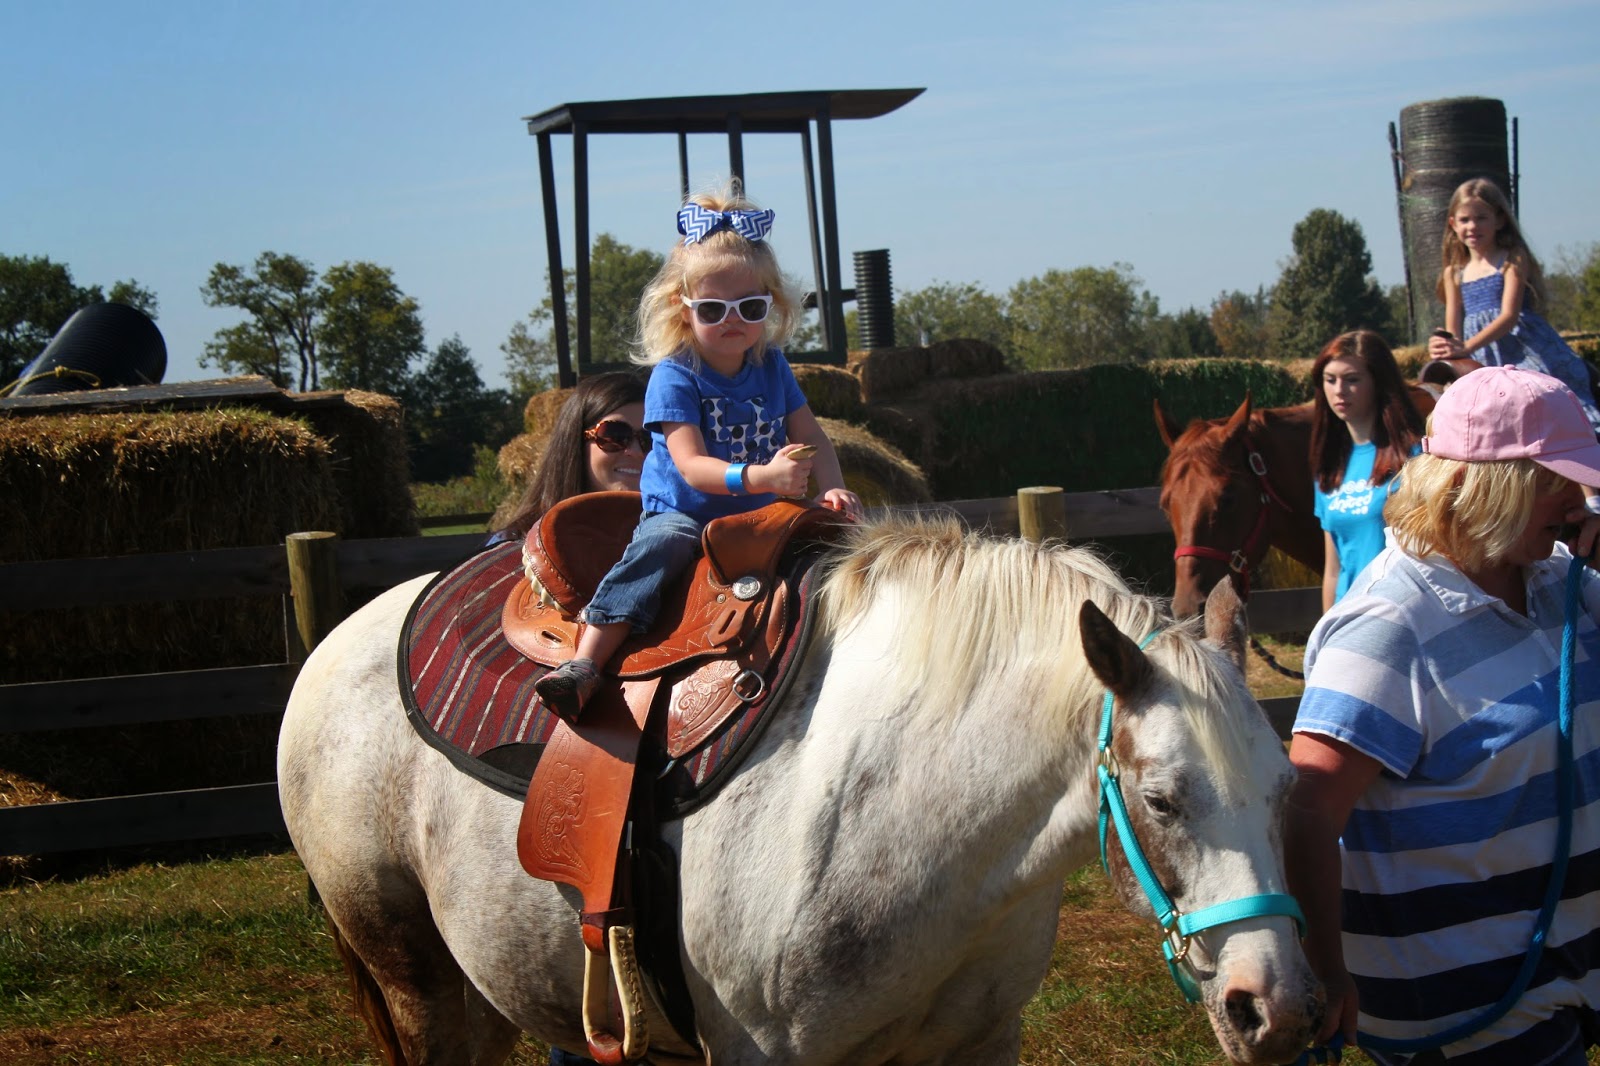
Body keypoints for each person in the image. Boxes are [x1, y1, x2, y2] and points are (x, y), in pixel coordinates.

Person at [1285, 366, 1600, 1065]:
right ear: (1486, 486)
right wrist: (1323, 971)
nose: (1578, 499)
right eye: (1557, 481)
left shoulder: (1560, 585)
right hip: (1470, 1011)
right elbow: (1307, 810)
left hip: (1566, 976)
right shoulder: (1389, 625)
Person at [533, 183, 862, 721]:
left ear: (771, 305)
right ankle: (587, 662)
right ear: (682, 310)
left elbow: (815, 437)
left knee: (837, 544)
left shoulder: (772, 365)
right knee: (660, 549)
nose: (732, 320)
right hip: (687, 509)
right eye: (712, 308)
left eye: (749, 306)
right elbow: (689, 466)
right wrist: (763, 477)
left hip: (761, 507)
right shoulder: (675, 375)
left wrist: (832, 487)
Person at [1427, 177, 1600, 435]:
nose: (1473, 226)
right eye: (1465, 220)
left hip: (1523, 346)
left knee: (1547, 394)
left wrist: (1468, 345)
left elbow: (1509, 315)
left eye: (1481, 218)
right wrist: (1447, 346)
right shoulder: (1454, 273)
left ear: (1499, 220)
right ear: (1453, 224)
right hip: (1482, 357)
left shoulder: (1512, 257)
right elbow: (1454, 330)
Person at [1310, 330, 1425, 611]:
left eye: (1352, 379)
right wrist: (1326, 632)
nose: (1339, 390)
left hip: (1399, 613)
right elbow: (1333, 570)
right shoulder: (1329, 467)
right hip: (1348, 616)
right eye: (1330, 380)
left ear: (1378, 382)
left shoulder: (1415, 458)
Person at [487, 371, 649, 549]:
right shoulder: (515, 547)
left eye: (650, 439)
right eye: (615, 435)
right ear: (575, 443)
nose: (636, 451)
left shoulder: (674, 542)